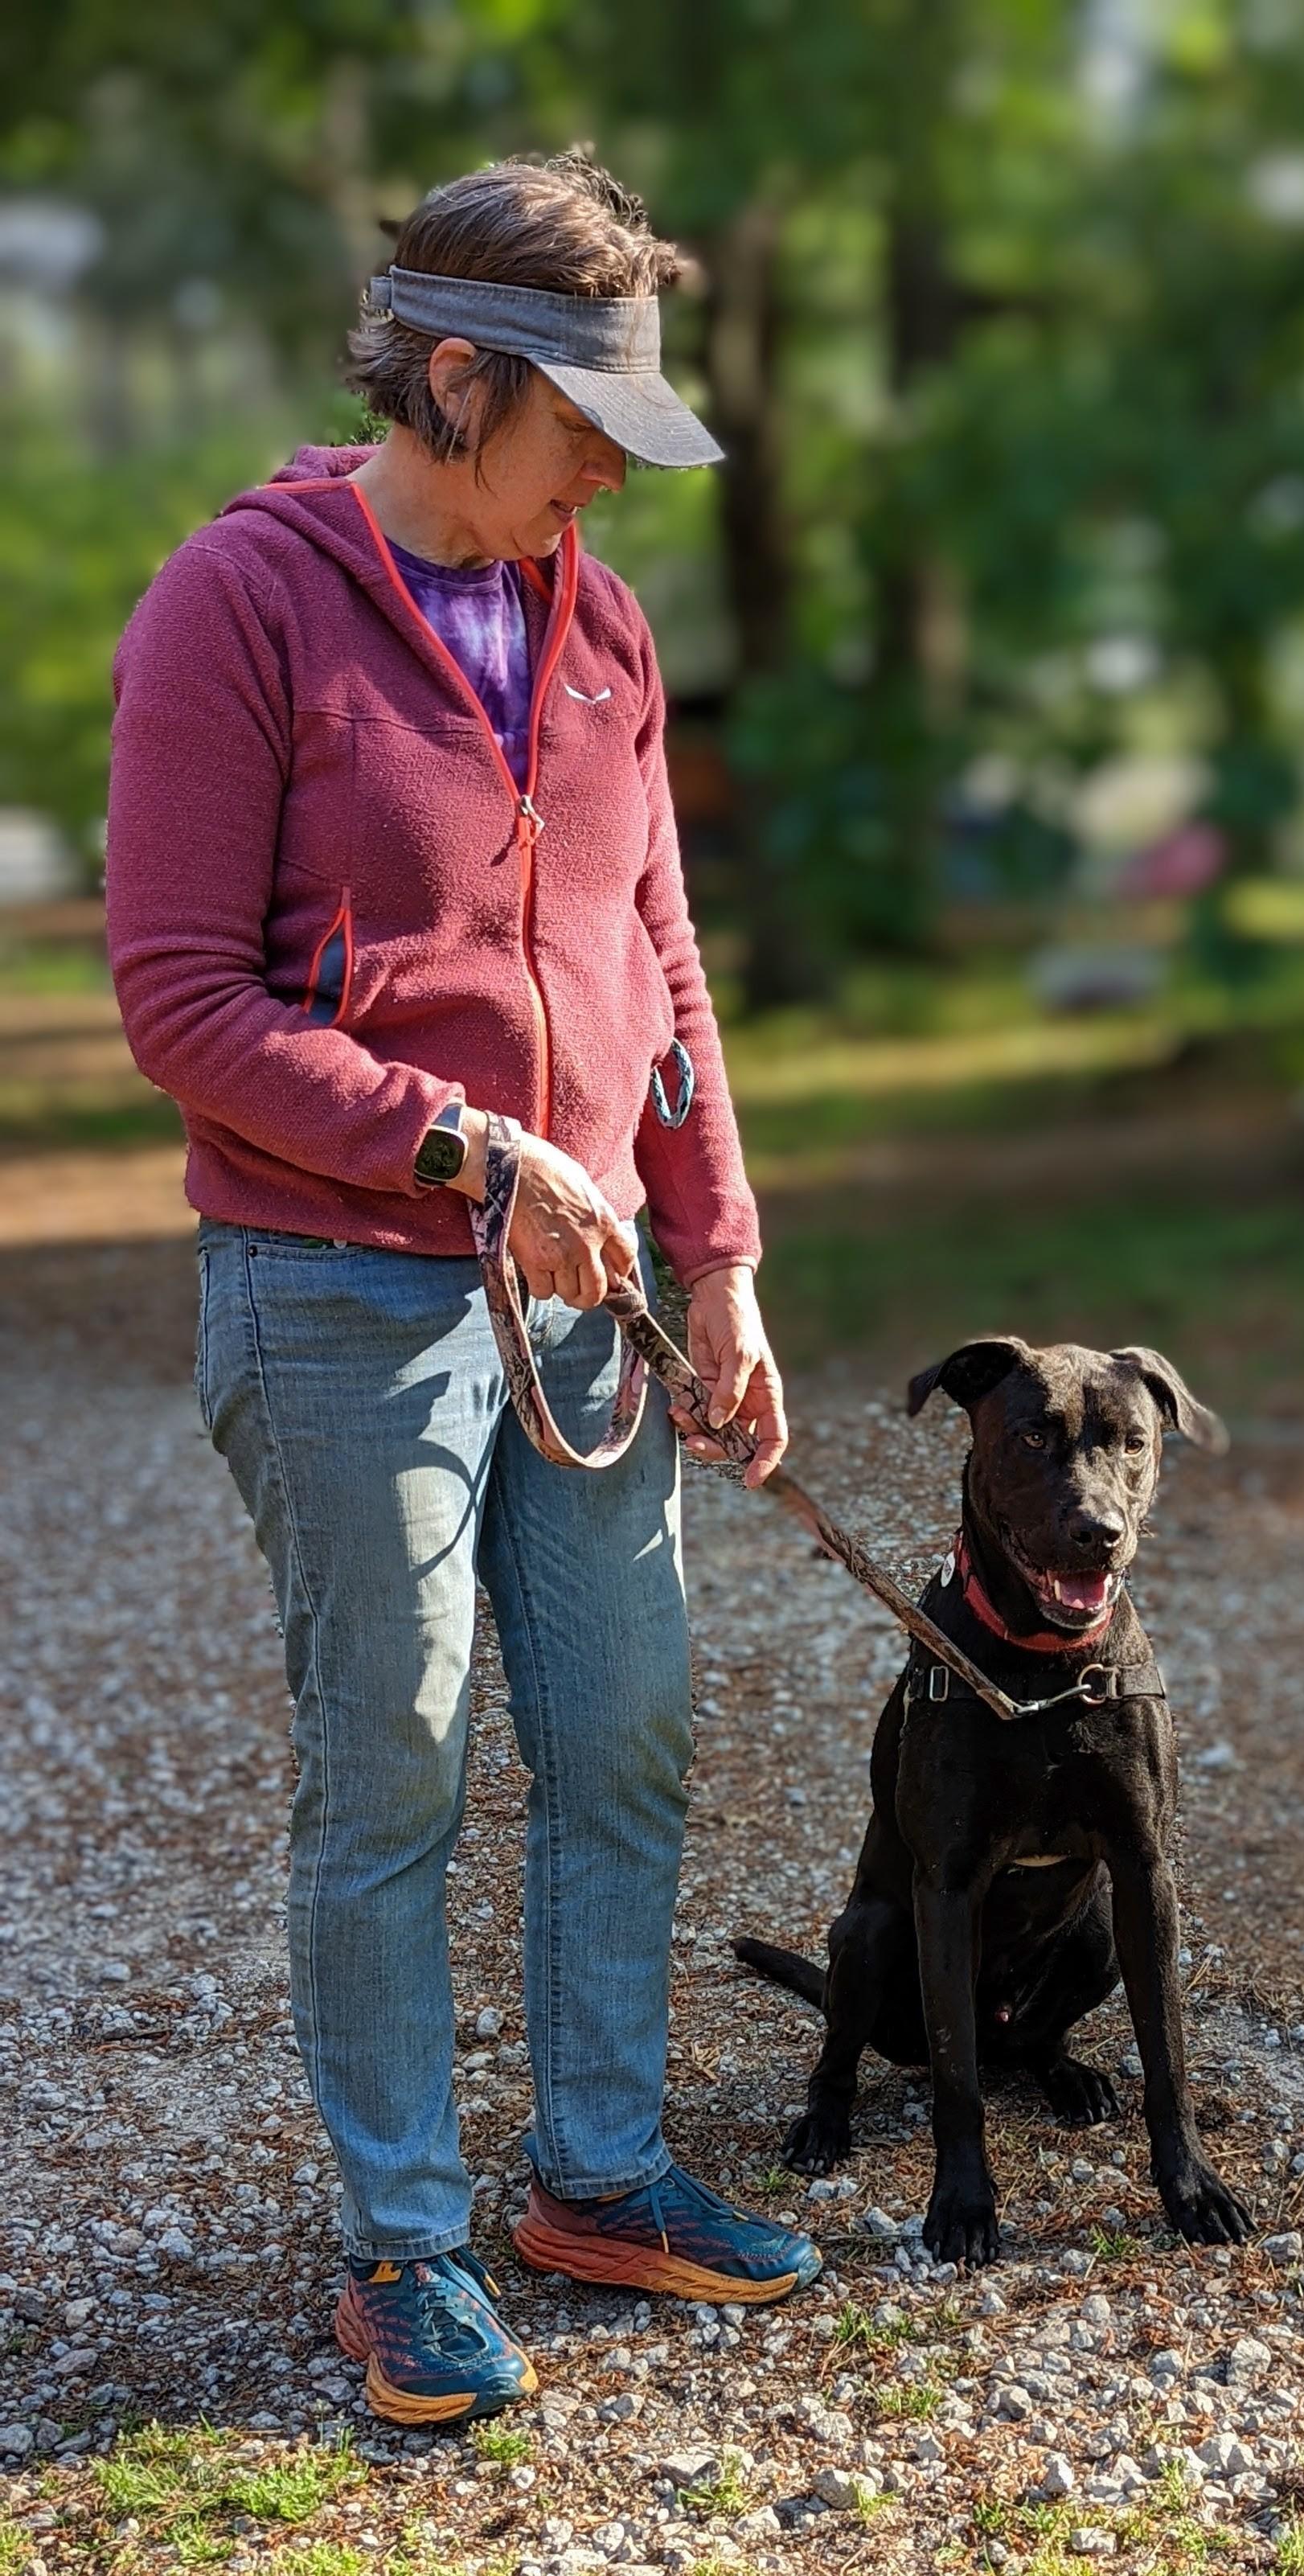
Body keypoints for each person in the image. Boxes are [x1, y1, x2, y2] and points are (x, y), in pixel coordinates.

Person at [105, 150, 821, 2430]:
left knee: (623, 1728)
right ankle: (402, 2241)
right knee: (392, 1761)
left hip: (590, 1285)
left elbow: (657, 959)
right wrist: (456, 1143)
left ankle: (598, 2172)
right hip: (343, 1288)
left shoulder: (595, 622)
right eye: (578, 426)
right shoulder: (243, 603)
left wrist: (717, 1252)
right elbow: (179, 999)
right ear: (447, 380)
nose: (611, 468)